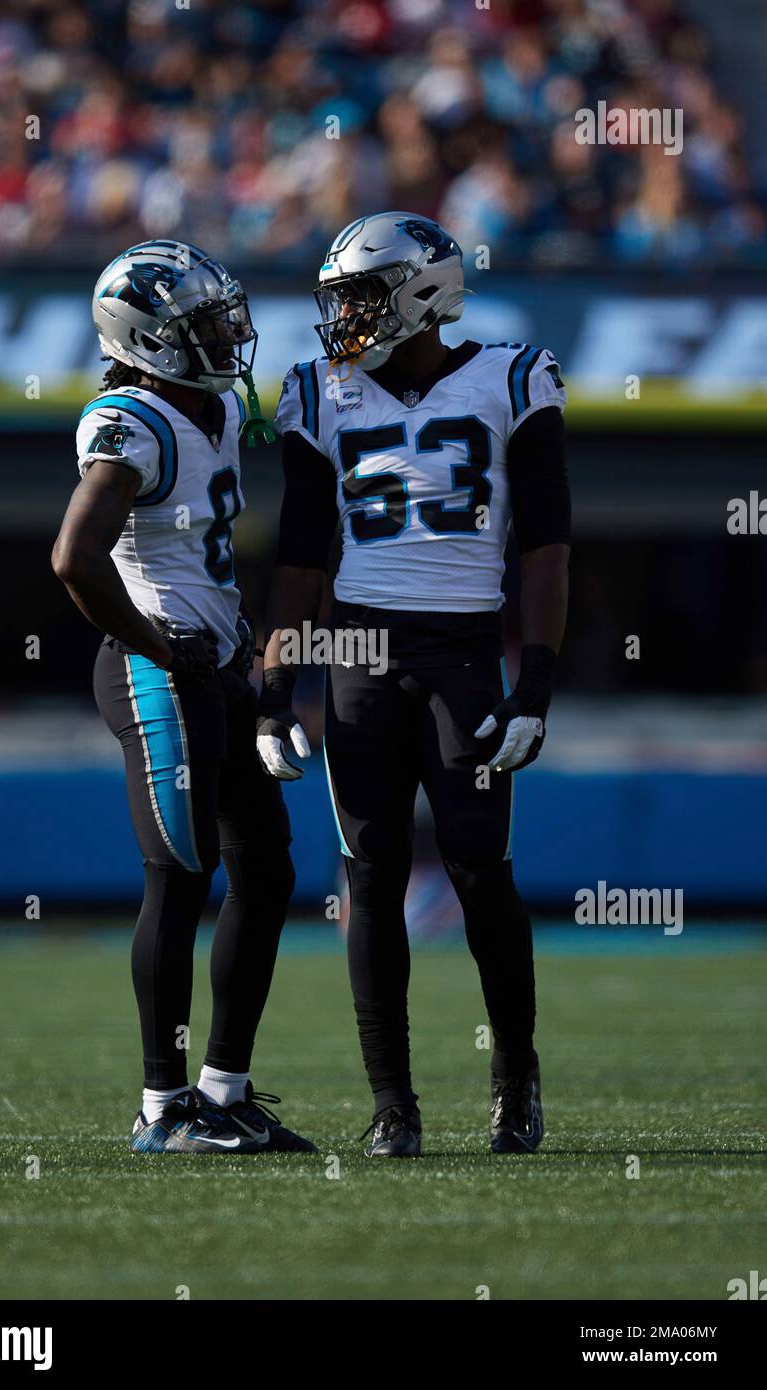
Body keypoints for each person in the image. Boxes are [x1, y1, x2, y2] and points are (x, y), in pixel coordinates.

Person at [257, 213, 570, 1156]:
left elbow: (548, 548)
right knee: (369, 876)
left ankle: (515, 1078)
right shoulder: (317, 391)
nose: (341, 315)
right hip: (356, 652)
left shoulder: (513, 375)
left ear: (421, 294)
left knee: (480, 869)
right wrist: (278, 685)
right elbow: (301, 560)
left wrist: (538, 684)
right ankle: (394, 1103)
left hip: (466, 650)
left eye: (359, 295)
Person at [52, 239, 315, 1155]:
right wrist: (158, 644)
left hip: (216, 671)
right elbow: (75, 557)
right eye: (202, 323)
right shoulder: (132, 419)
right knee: (180, 879)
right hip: (158, 668)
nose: (226, 334)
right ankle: (162, 1110)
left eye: (222, 316)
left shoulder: (205, 408)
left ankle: (223, 1090)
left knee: (268, 872)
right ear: (148, 336)